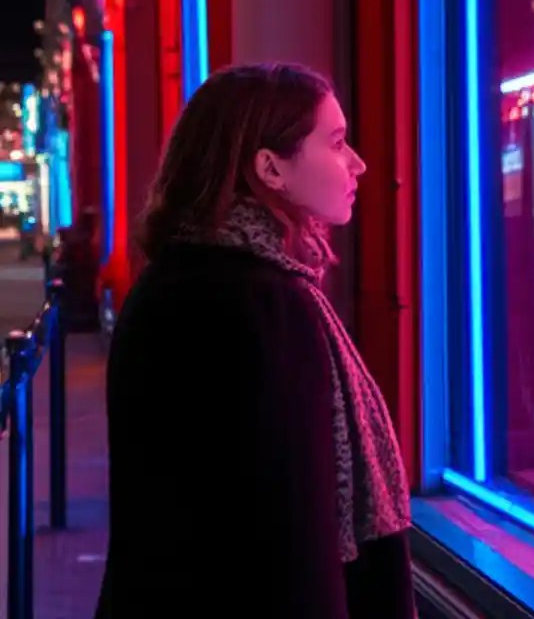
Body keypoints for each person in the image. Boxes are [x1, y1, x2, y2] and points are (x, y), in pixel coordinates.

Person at [94, 64, 416, 618]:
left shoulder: (180, 281)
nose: (358, 163)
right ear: (270, 168)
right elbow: (291, 537)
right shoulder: (261, 307)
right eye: (336, 142)